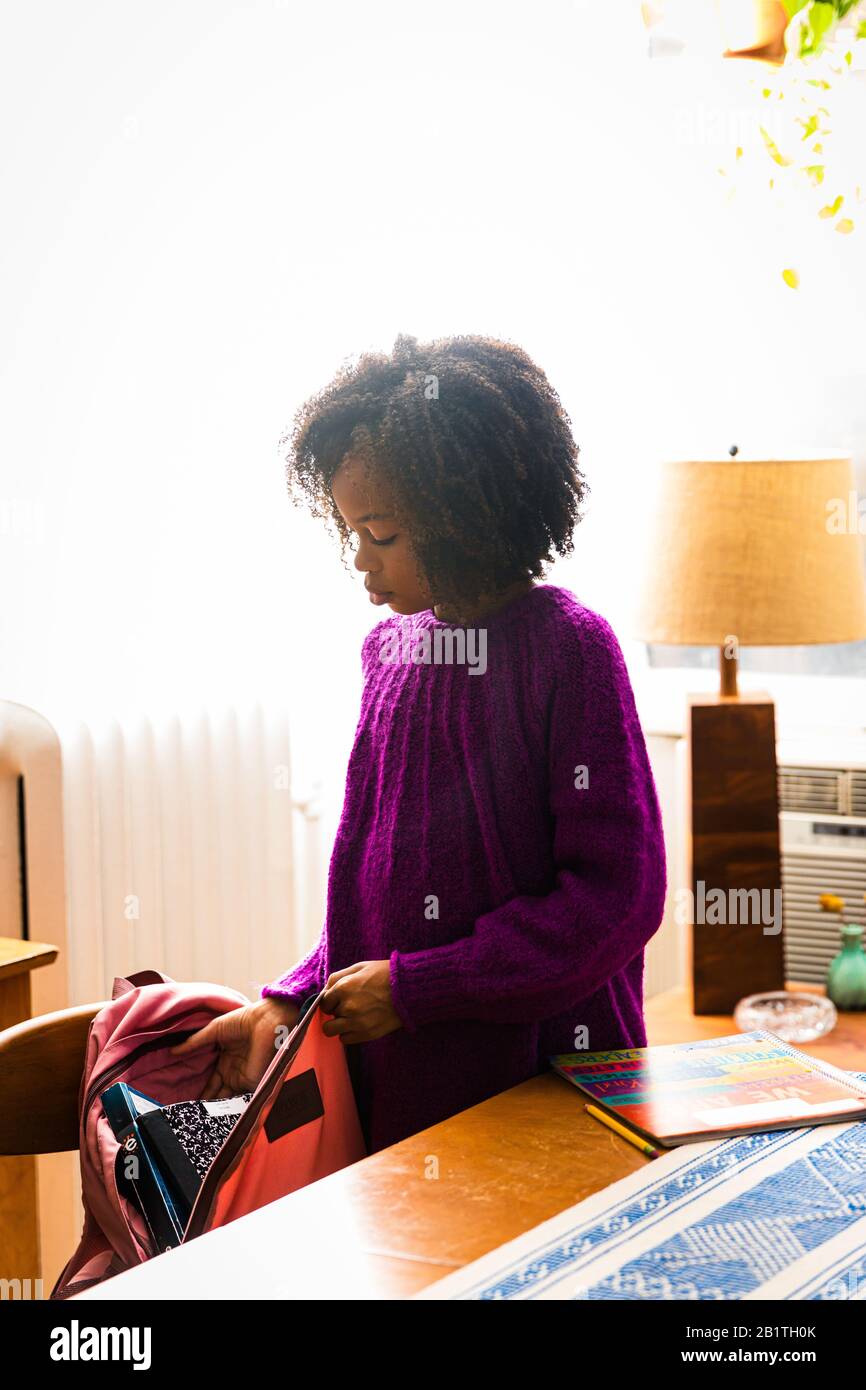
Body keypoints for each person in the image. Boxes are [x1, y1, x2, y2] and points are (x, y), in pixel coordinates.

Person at [172, 332, 667, 1154]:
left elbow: (616, 899)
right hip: (405, 1090)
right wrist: (295, 1000)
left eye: (384, 534)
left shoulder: (569, 651)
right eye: (351, 532)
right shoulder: (389, 655)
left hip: (549, 1087)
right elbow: (370, 892)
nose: (360, 561)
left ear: (466, 516)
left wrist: (419, 987)